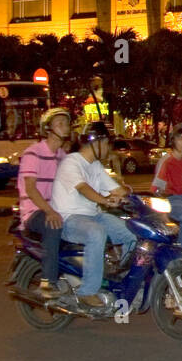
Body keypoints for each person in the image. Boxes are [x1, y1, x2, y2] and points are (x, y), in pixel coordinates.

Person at [51, 121, 137, 309]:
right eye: (106, 143)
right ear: (95, 143)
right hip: (70, 219)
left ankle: (120, 277)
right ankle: (87, 291)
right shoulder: (71, 162)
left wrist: (129, 193)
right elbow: (83, 189)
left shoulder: (96, 166)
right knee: (96, 233)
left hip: (93, 216)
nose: (108, 148)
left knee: (133, 232)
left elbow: (117, 189)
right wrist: (105, 200)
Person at [18, 108, 72, 299]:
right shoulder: (33, 153)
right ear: (48, 129)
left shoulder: (62, 156)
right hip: (34, 211)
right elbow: (31, 189)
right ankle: (47, 283)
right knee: (53, 225)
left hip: (55, 208)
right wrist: (49, 211)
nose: (65, 127)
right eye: (60, 123)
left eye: (66, 123)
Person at [150, 123, 182, 250]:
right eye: (180, 138)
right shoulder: (167, 161)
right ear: (173, 140)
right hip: (172, 200)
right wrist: (165, 218)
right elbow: (157, 191)